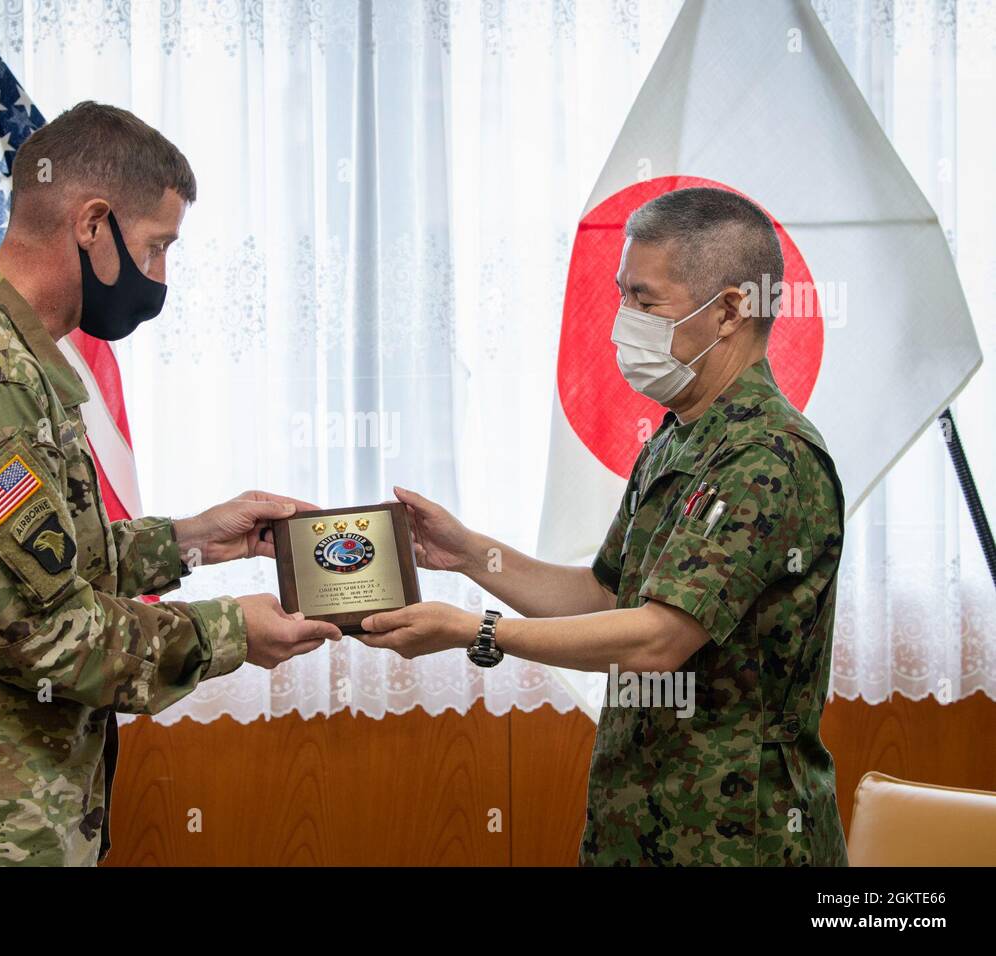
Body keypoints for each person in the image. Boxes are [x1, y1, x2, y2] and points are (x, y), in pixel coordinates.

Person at [0, 102, 339, 866]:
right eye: (157, 247)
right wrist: (232, 633)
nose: (159, 277)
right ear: (93, 225)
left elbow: (36, 565)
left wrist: (191, 541)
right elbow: (49, 637)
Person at [360, 187, 847, 866]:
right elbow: (604, 594)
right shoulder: (679, 437)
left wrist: (477, 633)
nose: (624, 321)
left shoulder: (769, 455)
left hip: (740, 839)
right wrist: (472, 555)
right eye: (623, 296)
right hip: (640, 828)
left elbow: (658, 639)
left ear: (732, 309)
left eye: (646, 303)